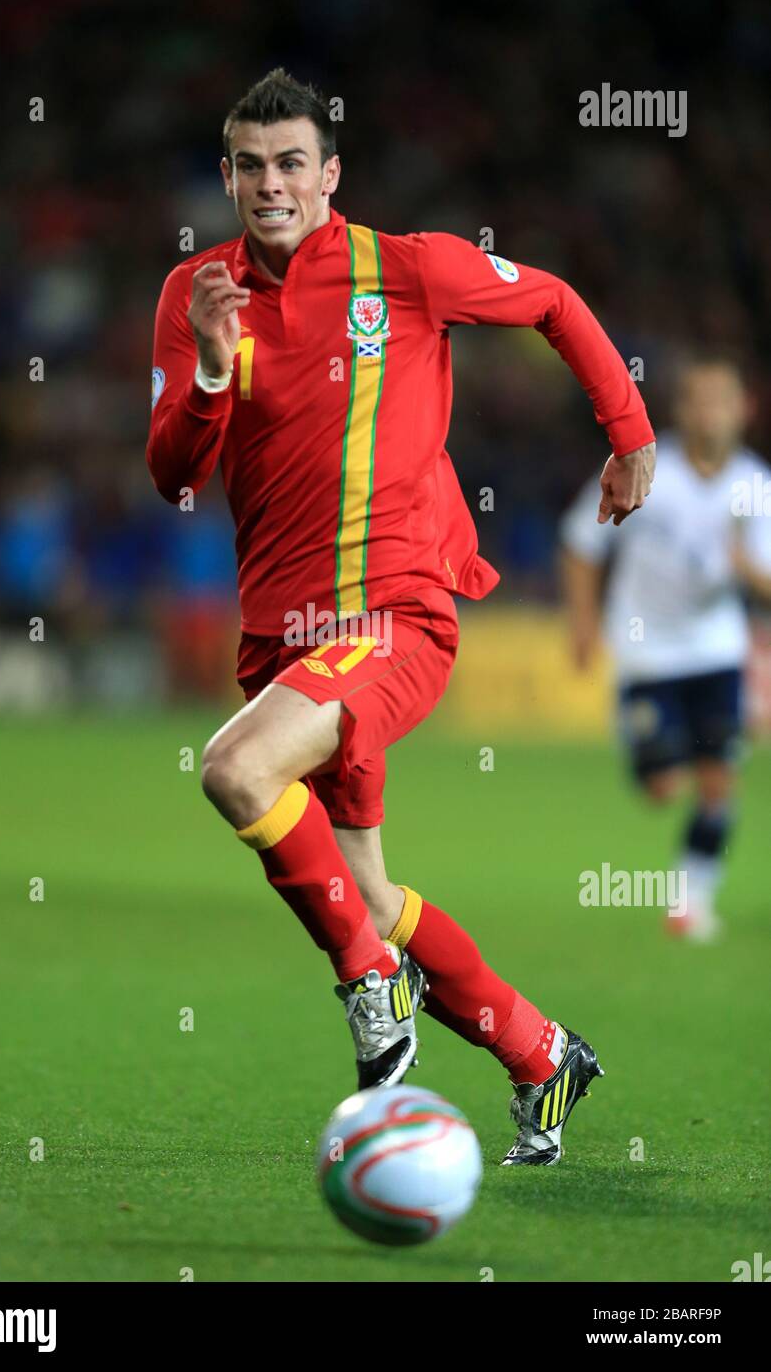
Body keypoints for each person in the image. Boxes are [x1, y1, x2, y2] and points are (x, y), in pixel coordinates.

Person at [146, 69, 655, 1165]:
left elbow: (554, 302)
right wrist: (204, 369)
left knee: (236, 773)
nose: (269, 183)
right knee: (367, 895)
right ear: (226, 174)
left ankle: (370, 988)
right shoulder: (197, 293)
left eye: (291, 163)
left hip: (395, 620)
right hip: (279, 638)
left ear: (330, 175)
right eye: (248, 163)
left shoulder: (406, 269)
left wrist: (628, 432)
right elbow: (170, 475)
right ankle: (540, 1052)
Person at [561, 357, 771, 942]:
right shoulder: (645, 470)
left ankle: (690, 900)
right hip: (647, 650)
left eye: (722, 400)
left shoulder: (757, 486)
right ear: (682, 411)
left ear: (743, 410)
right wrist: (582, 621)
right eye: (699, 400)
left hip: (717, 650)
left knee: (718, 779)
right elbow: (581, 542)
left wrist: (744, 567)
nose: (711, 412)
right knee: (663, 788)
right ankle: (643, 742)